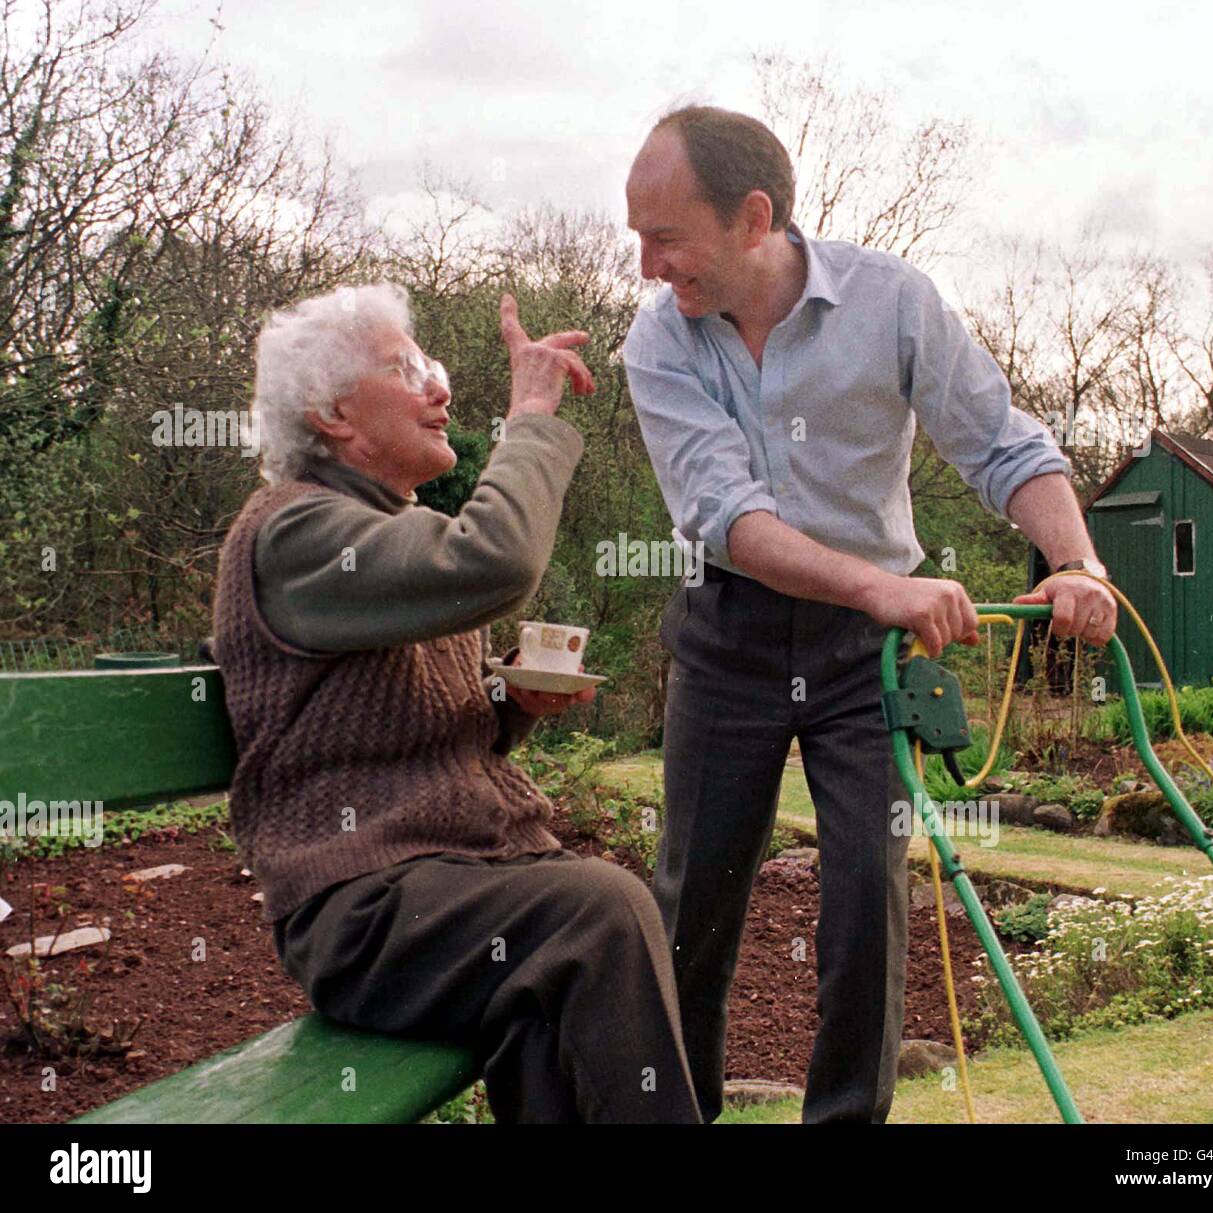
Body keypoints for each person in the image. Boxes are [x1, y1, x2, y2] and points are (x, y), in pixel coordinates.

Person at [622, 105, 1117, 1124]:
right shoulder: (659, 340)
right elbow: (729, 518)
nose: (644, 267)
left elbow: (1003, 445)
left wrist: (1076, 561)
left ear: (751, 217)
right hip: (730, 637)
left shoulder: (892, 304)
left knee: (864, 903)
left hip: (869, 659)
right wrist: (881, 585)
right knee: (693, 904)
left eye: (663, 238)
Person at [212, 281, 700, 1123]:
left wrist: (506, 700)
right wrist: (533, 415)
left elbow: (400, 723)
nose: (440, 389)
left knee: (552, 1007)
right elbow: (496, 561)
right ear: (333, 413)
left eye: (428, 364)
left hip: (444, 886)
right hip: (363, 913)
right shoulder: (299, 534)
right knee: (601, 910)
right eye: (407, 368)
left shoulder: (381, 526)